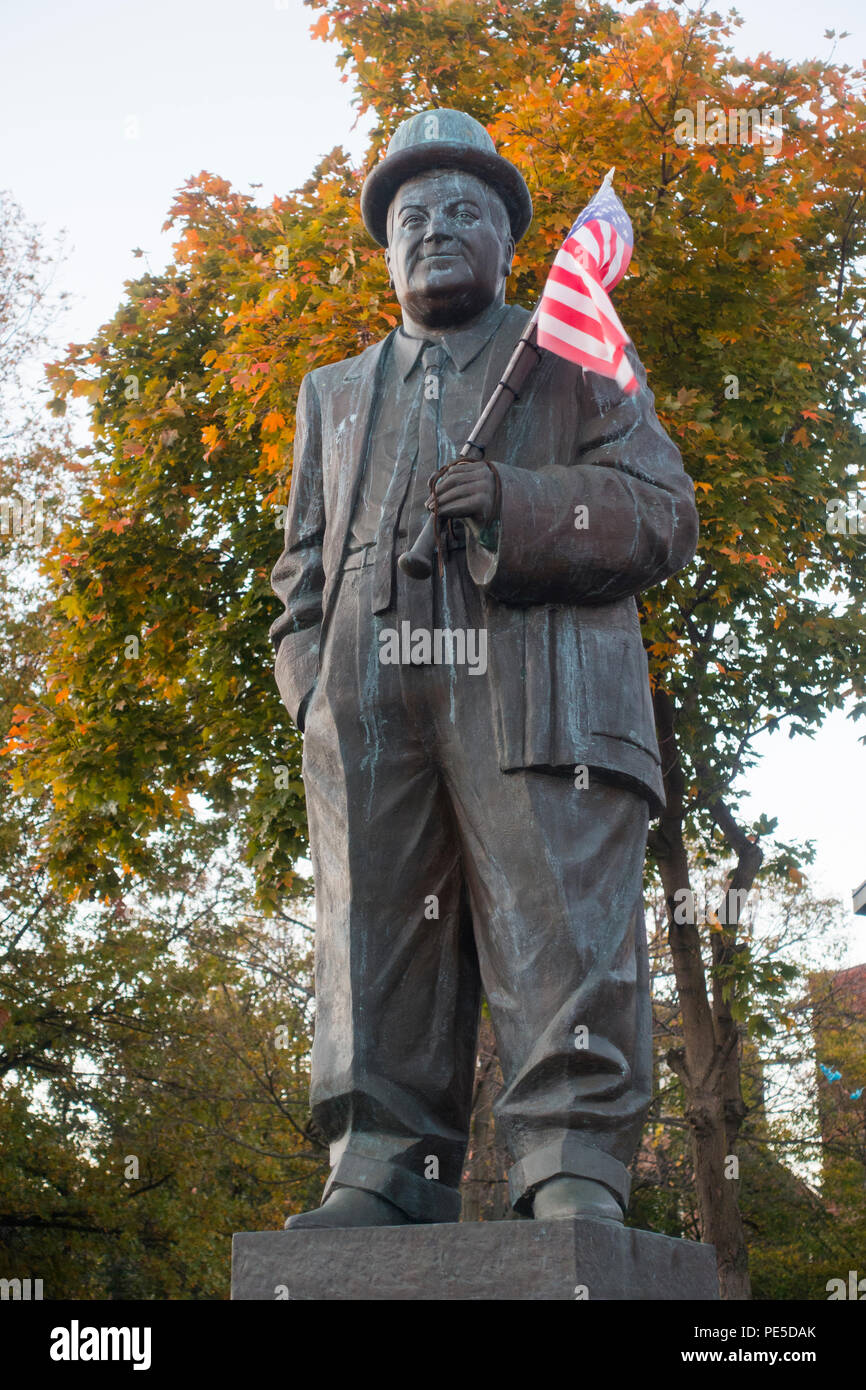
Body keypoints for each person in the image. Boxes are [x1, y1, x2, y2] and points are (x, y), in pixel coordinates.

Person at [270, 108, 699, 1229]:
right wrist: (313, 687)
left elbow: (662, 515)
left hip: (531, 677)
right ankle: (380, 1165)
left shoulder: (570, 353)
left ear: (509, 244)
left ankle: (570, 1167)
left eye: (464, 210)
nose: (435, 229)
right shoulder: (334, 392)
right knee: (373, 937)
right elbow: (299, 576)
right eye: (412, 216)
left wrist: (518, 501)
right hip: (370, 705)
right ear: (385, 251)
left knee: (555, 920)